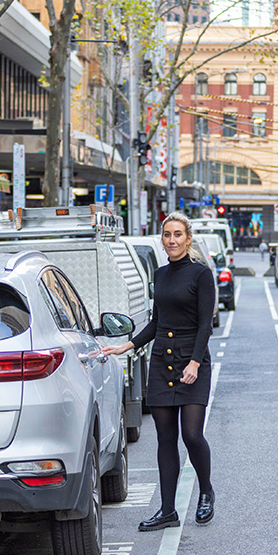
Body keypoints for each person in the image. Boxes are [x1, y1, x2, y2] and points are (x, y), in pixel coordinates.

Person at [101, 211, 216, 531]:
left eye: (178, 234)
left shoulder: (201, 274)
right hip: (163, 363)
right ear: (162, 239)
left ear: (188, 238)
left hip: (192, 361)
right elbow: (157, 321)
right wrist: (129, 345)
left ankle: (206, 491)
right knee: (165, 439)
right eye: (167, 235)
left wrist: (194, 362)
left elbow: (205, 325)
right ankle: (168, 510)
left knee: (192, 435)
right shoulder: (161, 274)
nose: (172, 240)